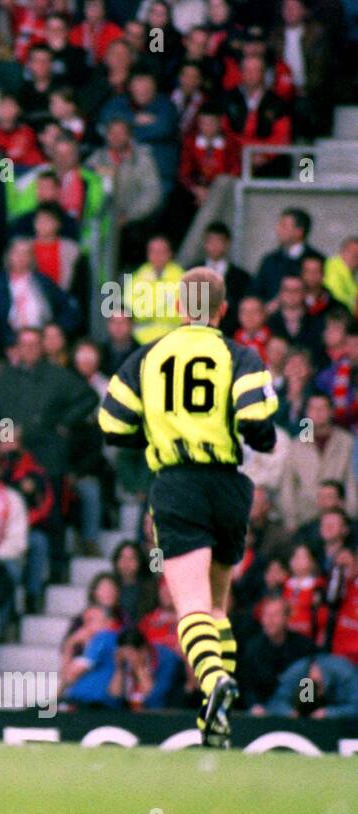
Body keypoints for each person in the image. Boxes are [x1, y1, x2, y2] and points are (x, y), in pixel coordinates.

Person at [98, 267, 278, 747]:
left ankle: (215, 683)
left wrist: (157, 432)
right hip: (229, 486)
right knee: (218, 607)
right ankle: (215, 720)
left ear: (180, 307)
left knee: (191, 607)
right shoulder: (240, 355)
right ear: (222, 310)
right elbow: (258, 424)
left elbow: (112, 424)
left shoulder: (148, 356)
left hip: (177, 482)